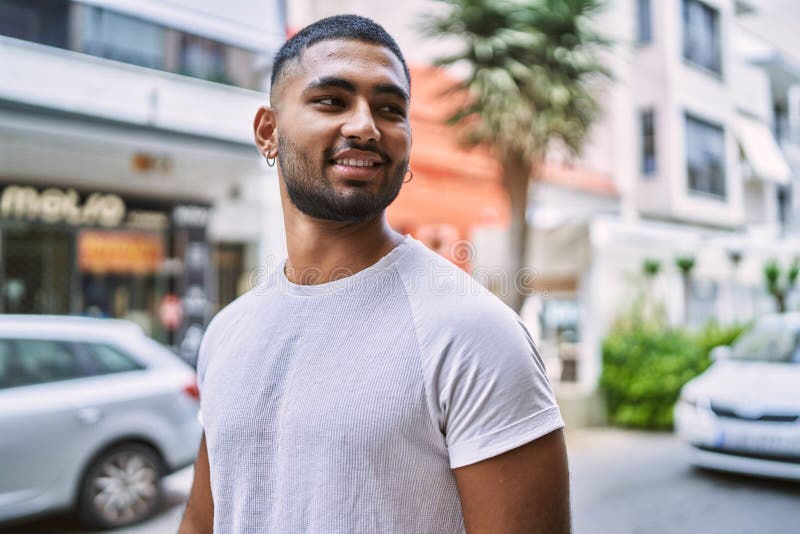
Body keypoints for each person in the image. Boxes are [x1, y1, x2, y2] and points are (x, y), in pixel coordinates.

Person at [179, 14, 570, 534]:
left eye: (390, 109)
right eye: (331, 100)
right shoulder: (227, 331)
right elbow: (202, 521)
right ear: (268, 132)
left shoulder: (475, 334)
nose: (365, 126)